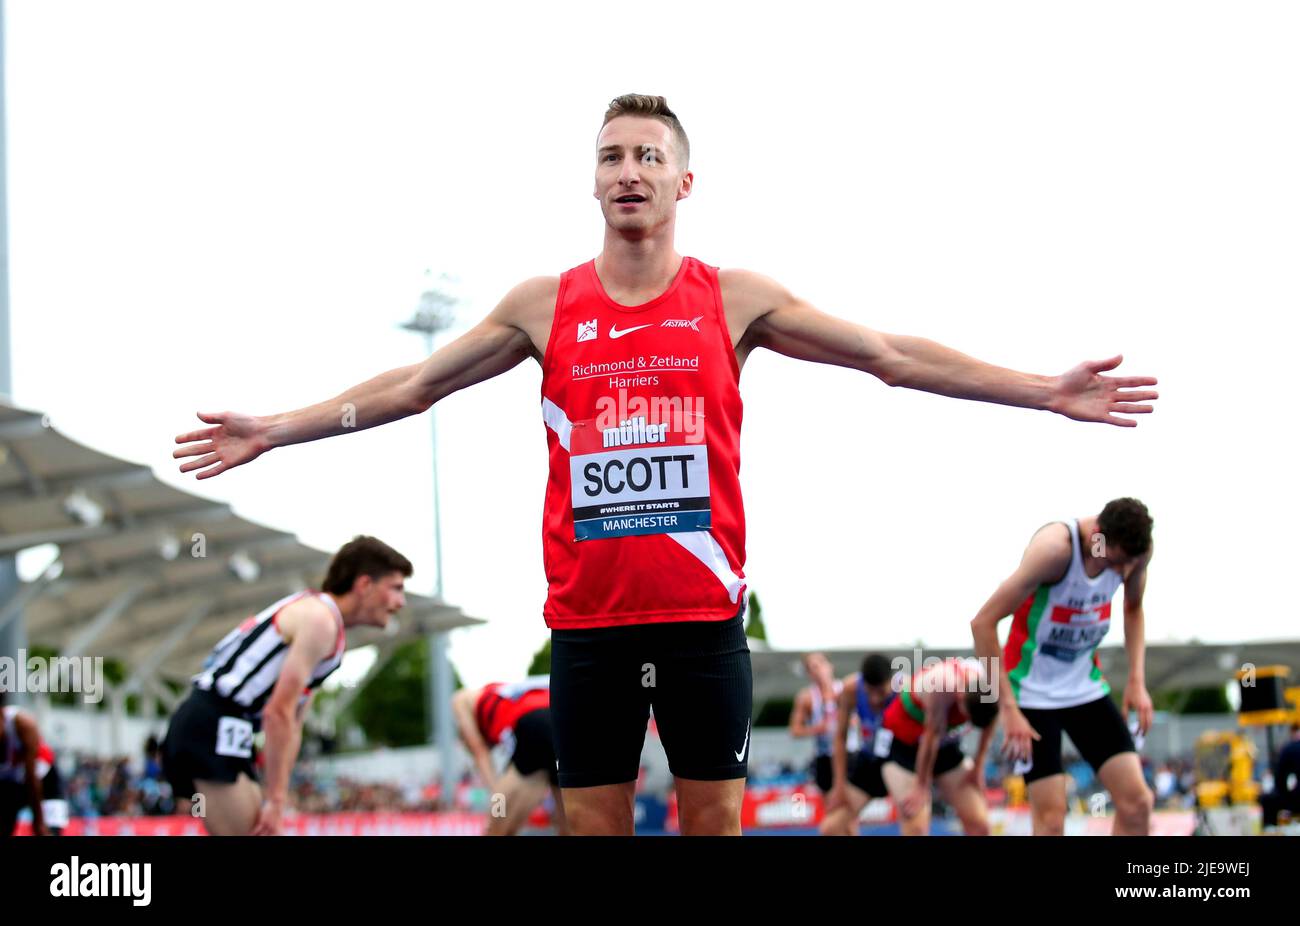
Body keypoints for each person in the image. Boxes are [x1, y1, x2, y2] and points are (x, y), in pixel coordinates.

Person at [174, 94, 1158, 835]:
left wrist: (1041, 388)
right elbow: (413, 387)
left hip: (701, 628)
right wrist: (275, 426)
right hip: (591, 631)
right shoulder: (541, 305)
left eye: (649, 155)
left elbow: (887, 356)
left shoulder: (730, 299)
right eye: (610, 156)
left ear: (682, 181)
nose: (628, 170)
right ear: (592, 180)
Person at [161, 535, 410, 835]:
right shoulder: (320, 621)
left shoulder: (326, 626)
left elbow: (293, 722)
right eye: (395, 588)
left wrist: (277, 798)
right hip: (211, 722)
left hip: (224, 726)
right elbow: (278, 714)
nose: (401, 602)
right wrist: (276, 800)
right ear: (364, 585)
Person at [970, 498, 1156, 835]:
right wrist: (1008, 709)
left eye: (1128, 565)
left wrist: (1136, 679)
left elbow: (1133, 607)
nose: (1121, 574)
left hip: (1083, 688)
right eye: (1115, 563)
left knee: (1138, 802)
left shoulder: (1134, 554)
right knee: (1051, 820)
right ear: (1098, 535)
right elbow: (983, 623)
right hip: (1031, 696)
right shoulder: (1055, 551)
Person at [879, 656, 997, 835]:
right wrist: (921, 785)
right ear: (961, 696)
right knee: (916, 826)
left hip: (946, 749)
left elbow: (990, 723)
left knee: (980, 825)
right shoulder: (941, 684)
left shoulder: (989, 686)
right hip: (907, 748)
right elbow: (930, 740)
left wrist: (978, 766)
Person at [452, 677, 569, 835]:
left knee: (496, 831)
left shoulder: (462, 699)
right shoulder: (506, 695)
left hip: (535, 726)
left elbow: (479, 753)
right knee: (569, 829)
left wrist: (497, 805)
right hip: (564, 723)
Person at [820, 653, 895, 836]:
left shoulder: (907, 689)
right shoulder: (852, 689)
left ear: (891, 682)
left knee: (914, 824)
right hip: (870, 761)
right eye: (870, 692)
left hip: (900, 761)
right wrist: (839, 786)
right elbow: (840, 738)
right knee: (830, 828)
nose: (875, 699)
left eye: (881, 692)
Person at [0, 696, 68, 836]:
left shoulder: (23, 725)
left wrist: (39, 823)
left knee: (48, 832)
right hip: (11, 787)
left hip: (46, 783)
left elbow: (32, 780)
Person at [788, 652, 842, 798]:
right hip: (824, 757)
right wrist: (816, 729)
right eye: (813, 668)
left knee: (849, 806)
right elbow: (795, 730)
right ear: (809, 674)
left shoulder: (845, 690)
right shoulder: (806, 697)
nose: (819, 670)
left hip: (847, 753)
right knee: (830, 804)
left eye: (821, 664)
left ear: (831, 666)